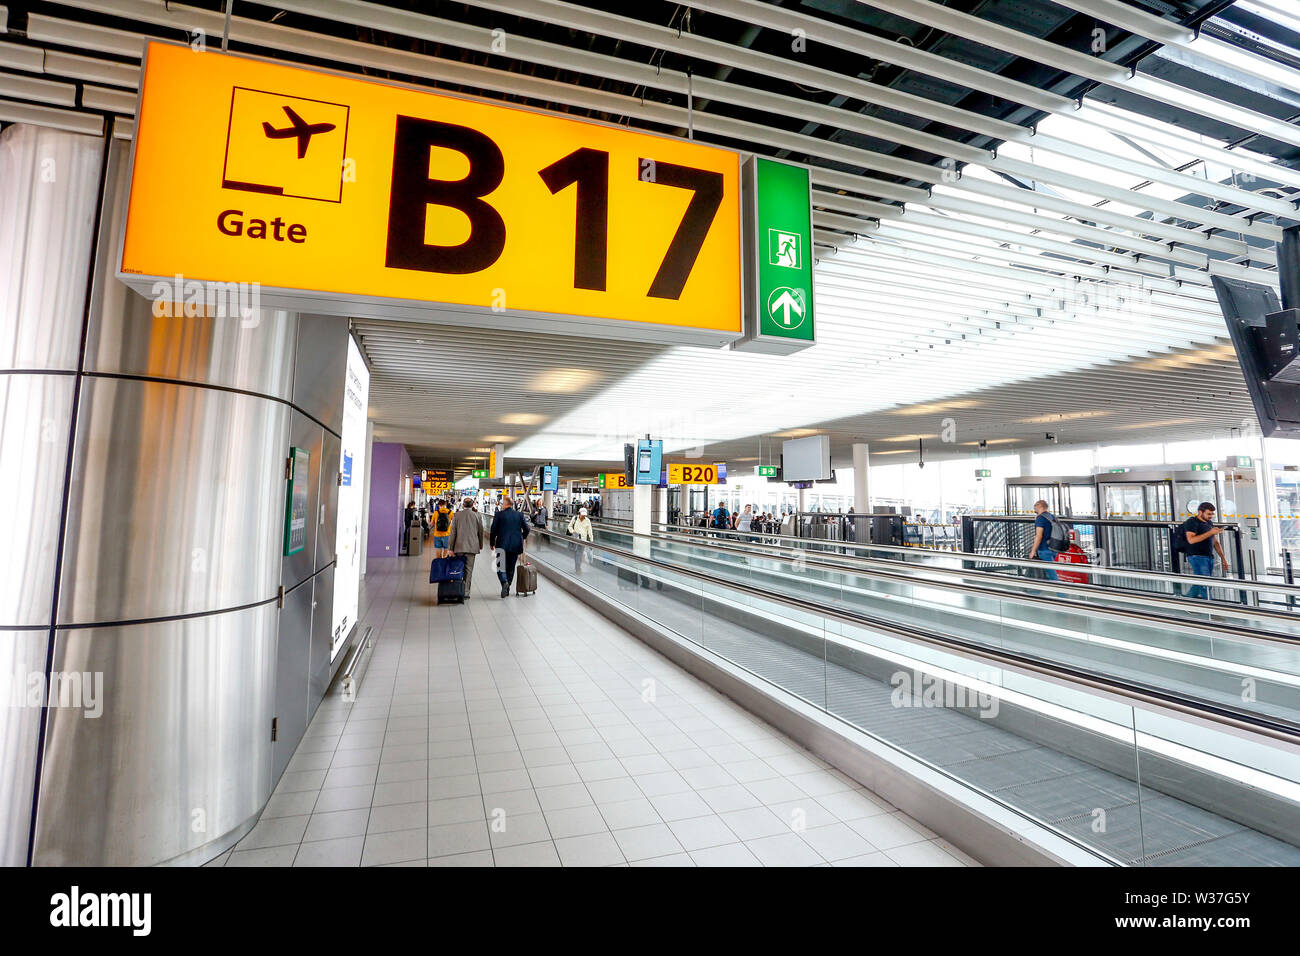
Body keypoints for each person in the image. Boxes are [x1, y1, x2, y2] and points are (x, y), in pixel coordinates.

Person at [1181, 501, 1228, 600]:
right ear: (1200, 512)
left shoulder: (1209, 523)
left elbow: (1215, 542)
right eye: (1208, 514)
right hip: (1196, 556)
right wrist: (1210, 532)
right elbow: (1191, 540)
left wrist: (1223, 558)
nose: (1211, 516)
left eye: (1212, 514)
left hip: (1208, 556)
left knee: (1200, 583)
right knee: (1206, 583)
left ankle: (1186, 602)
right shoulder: (1192, 522)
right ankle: (1211, 609)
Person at [489, 495, 530, 598]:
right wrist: (522, 537)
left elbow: (493, 530)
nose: (502, 505)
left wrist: (492, 543)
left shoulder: (499, 515)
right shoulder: (519, 515)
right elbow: (527, 529)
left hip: (502, 544)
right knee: (511, 568)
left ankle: (504, 582)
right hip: (515, 545)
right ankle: (507, 588)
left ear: (506, 504)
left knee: (500, 566)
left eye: (503, 503)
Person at [447, 497, 487, 599]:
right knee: (469, 570)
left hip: (458, 546)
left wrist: (450, 548)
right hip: (472, 547)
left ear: (463, 505)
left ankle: (457, 589)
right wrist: (480, 545)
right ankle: (465, 592)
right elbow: (480, 532)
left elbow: (453, 533)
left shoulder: (456, 515)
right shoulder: (477, 515)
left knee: (457, 568)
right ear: (473, 505)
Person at [1027, 499, 1060, 582]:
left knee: (1052, 576)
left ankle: (1062, 594)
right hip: (1054, 549)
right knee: (1046, 574)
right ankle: (1038, 593)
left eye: (1035, 507)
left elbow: (1039, 536)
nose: (1034, 509)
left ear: (1039, 506)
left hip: (1044, 550)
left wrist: (1033, 551)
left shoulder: (1041, 518)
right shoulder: (1052, 517)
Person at [568, 506, 594, 572]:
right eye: (582, 515)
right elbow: (569, 526)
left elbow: (590, 531)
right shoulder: (575, 518)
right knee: (576, 554)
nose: (583, 516)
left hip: (583, 540)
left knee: (579, 554)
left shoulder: (587, 520)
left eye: (584, 515)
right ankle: (577, 567)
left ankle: (578, 568)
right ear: (579, 513)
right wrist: (572, 531)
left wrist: (591, 540)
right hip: (575, 539)